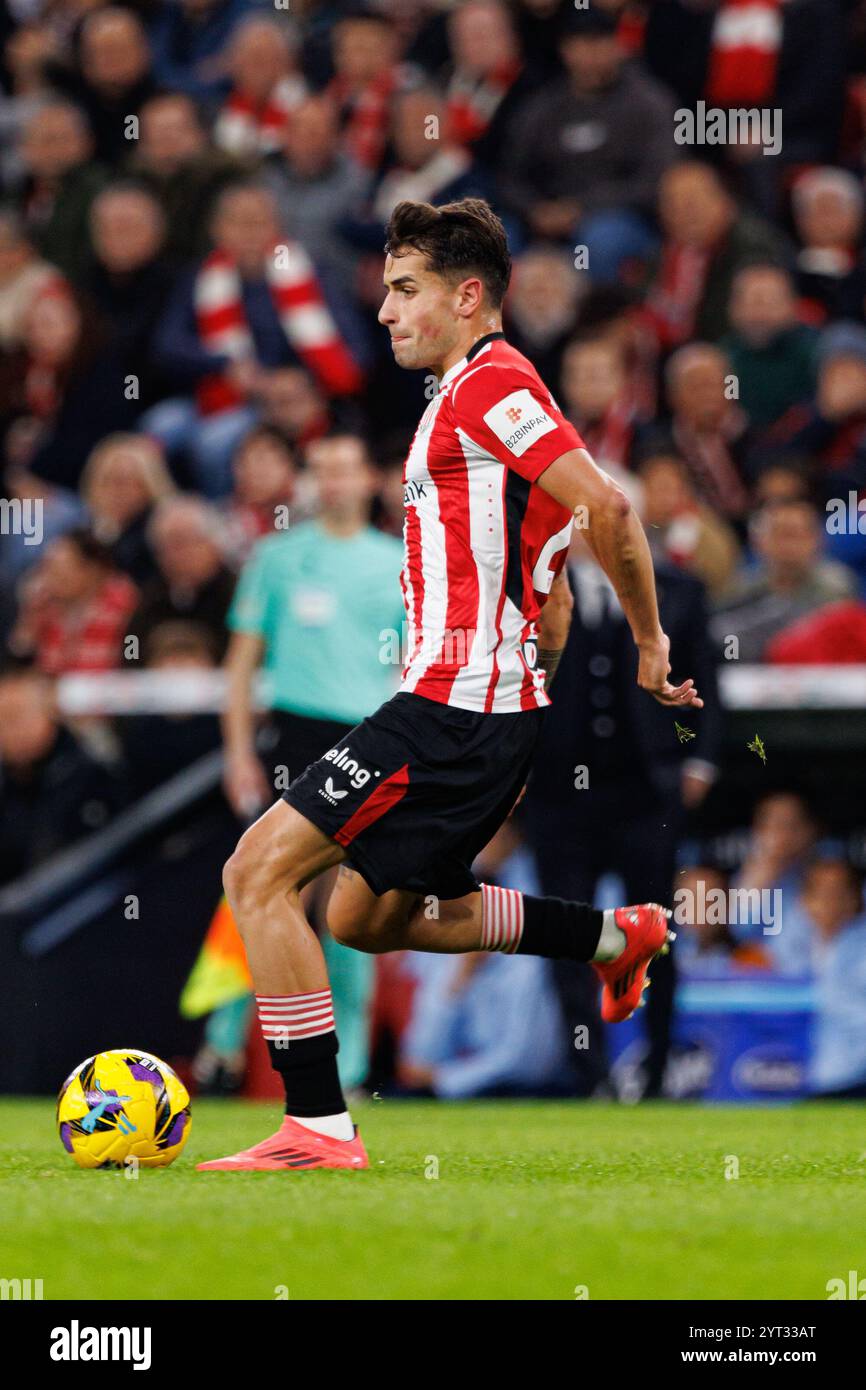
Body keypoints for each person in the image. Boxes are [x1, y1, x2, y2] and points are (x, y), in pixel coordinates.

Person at [197, 196, 700, 1174]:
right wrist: (522, 697)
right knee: (359, 915)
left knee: (256, 873)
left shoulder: (488, 382)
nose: (385, 312)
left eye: (404, 290)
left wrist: (646, 642)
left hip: (445, 705)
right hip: (486, 711)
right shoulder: (462, 403)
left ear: (468, 297)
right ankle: (612, 936)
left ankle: (317, 1127)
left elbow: (604, 505)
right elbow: (547, 604)